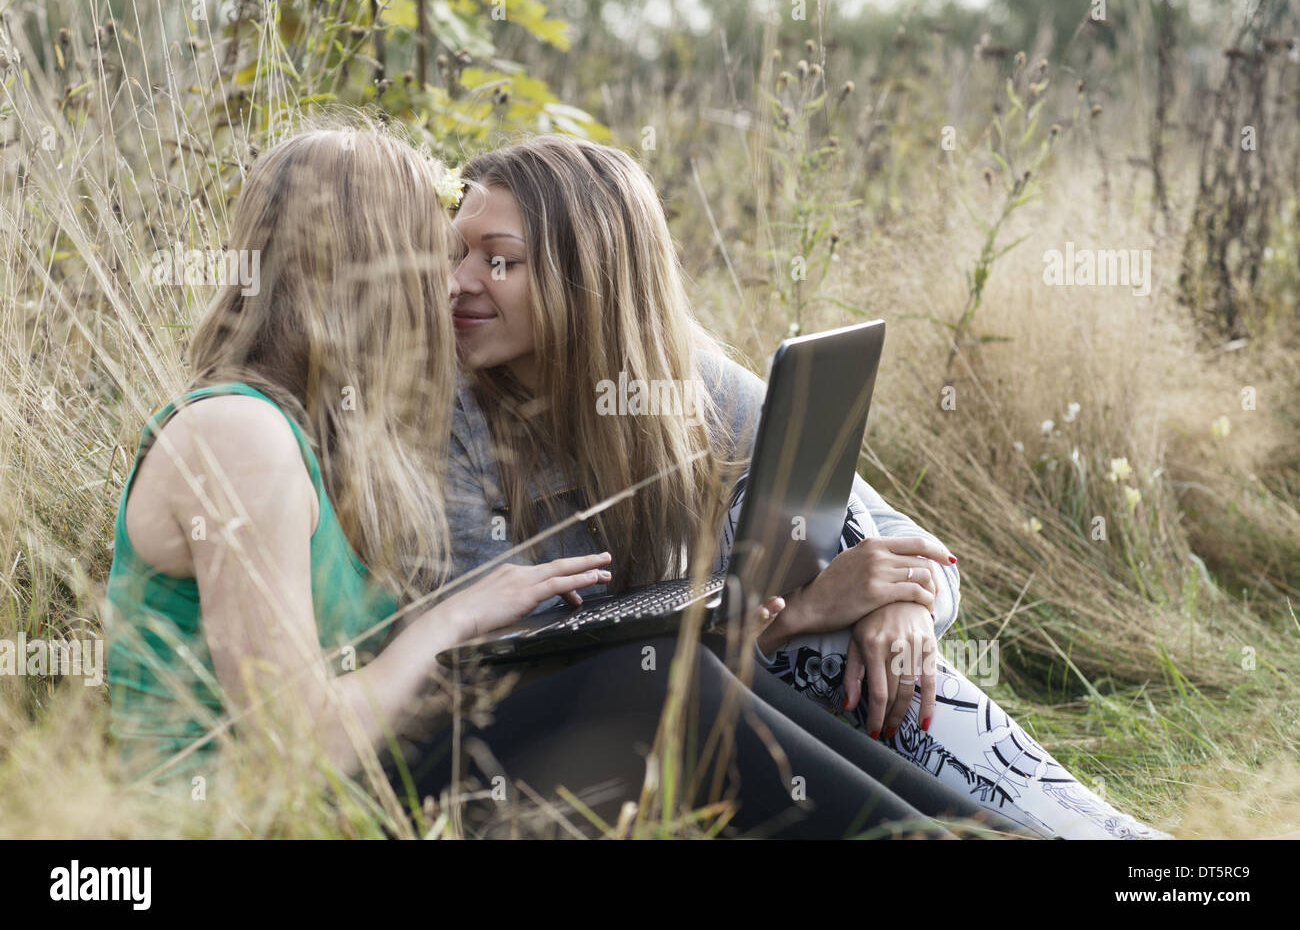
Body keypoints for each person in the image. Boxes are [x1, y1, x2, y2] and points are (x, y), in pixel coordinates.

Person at [103, 121, 1010, 840]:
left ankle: (986, 832)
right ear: (357, 264)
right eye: (432, 250)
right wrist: (454, 618)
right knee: (649, 687)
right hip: (242, 818)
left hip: (348, 788)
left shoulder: (297, 431)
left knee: (666, 673)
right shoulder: (239, 437)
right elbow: (298, 749)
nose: (449, 282)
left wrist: (802, 615)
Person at [442, 134, 1173, 839]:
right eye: (457, 253)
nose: (458, 282)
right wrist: (782, 624)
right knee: (812, 624)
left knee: (833, 586)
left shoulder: (688, 386)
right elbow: (511, 669)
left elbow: (905, 543)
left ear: (591, 277)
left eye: (497, 260)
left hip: (724, 700)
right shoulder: (456, 423)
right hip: (563, 750)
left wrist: (904, 609)